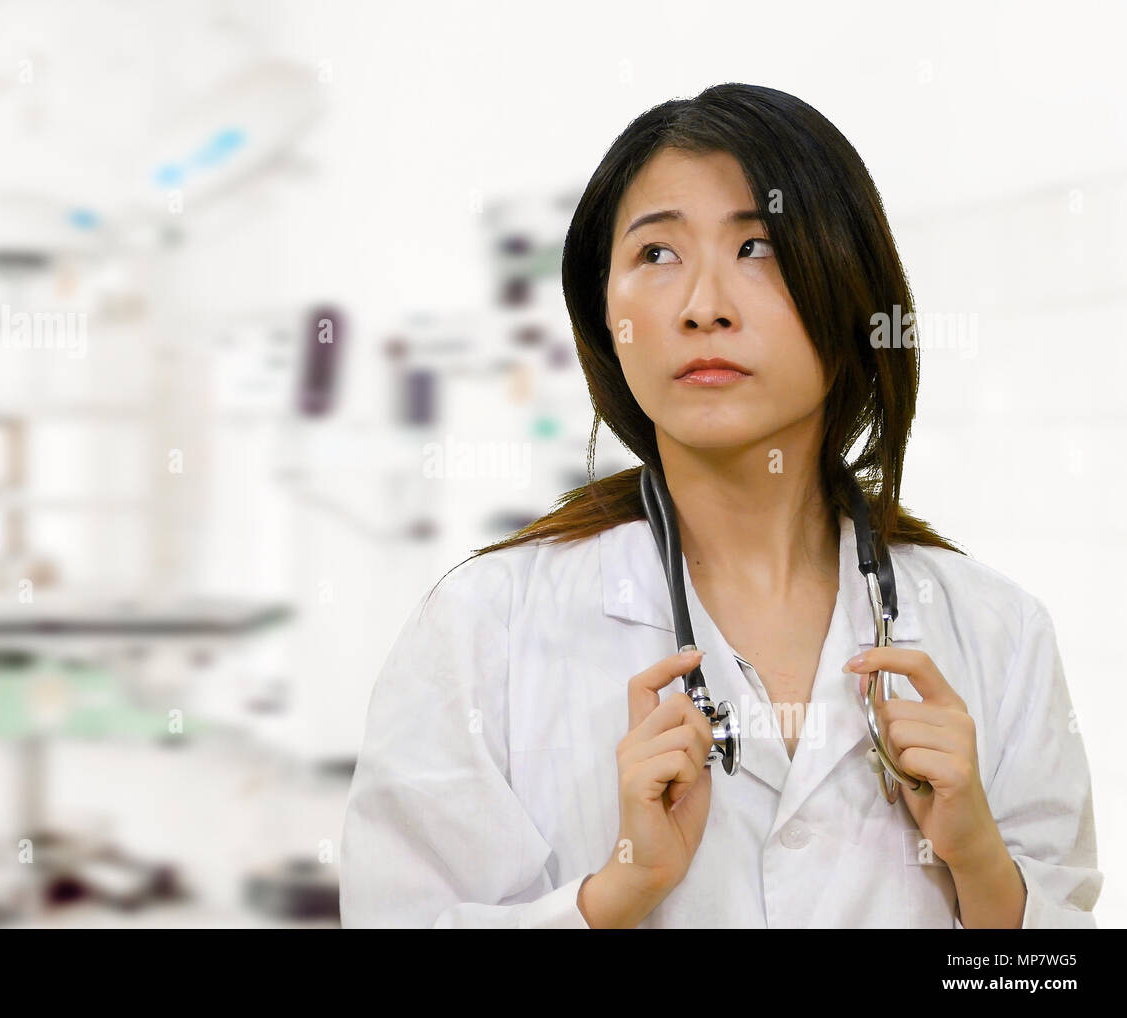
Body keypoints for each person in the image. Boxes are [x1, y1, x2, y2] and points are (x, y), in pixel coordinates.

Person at [338, 83, 1102, 928]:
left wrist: (982, 867)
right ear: (605, 314)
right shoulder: (485, 627)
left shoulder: (998, 633)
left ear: (849, 289)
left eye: (759, 247)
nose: (704, 306)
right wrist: (612, 897)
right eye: (657, 255)